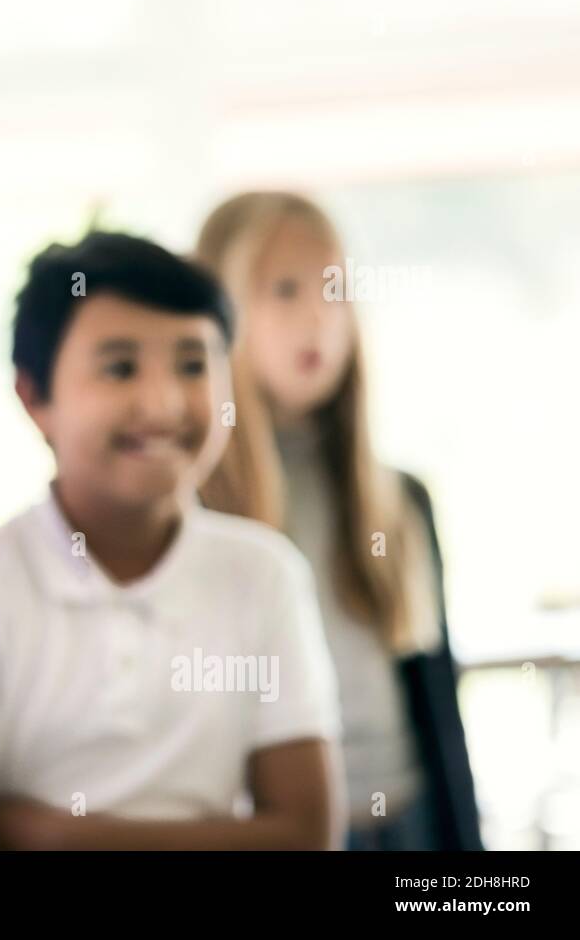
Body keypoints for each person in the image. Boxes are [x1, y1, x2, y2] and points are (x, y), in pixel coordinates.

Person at [0, 230, 344, 850]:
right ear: (34, 397)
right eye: (120, 367)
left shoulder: (263, 573)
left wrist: (54, 836)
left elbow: (306, 837)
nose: (161, 403)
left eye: (192, 365)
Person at [196, 191, 482, 850]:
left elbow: (438, 718)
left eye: (335, 289)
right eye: (284, 290)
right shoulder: (194, 510)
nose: (317, 317)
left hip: (409, 826)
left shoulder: (399, 498)